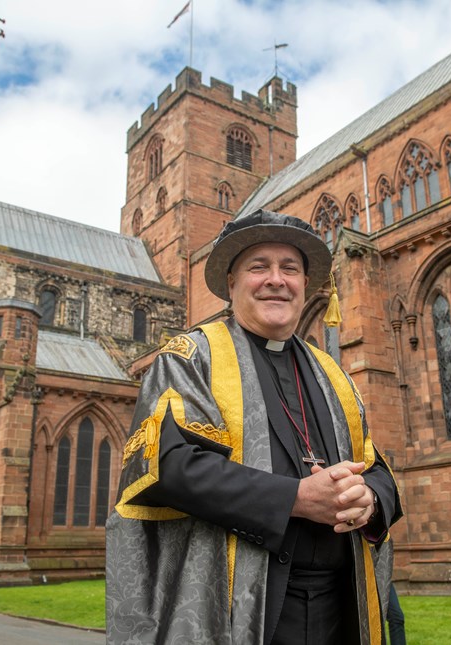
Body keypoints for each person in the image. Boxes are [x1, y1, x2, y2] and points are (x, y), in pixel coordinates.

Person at [107, 209, 402, 644]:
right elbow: (167, 465)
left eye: (290, 269)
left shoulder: (331, 373)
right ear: (232, 283)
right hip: (245, 605)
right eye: (259, 267)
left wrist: (370, 499)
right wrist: (295, 499)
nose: (276, 280)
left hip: (344, 605)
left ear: (305, 284)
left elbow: (374, 464)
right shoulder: (190, 357)